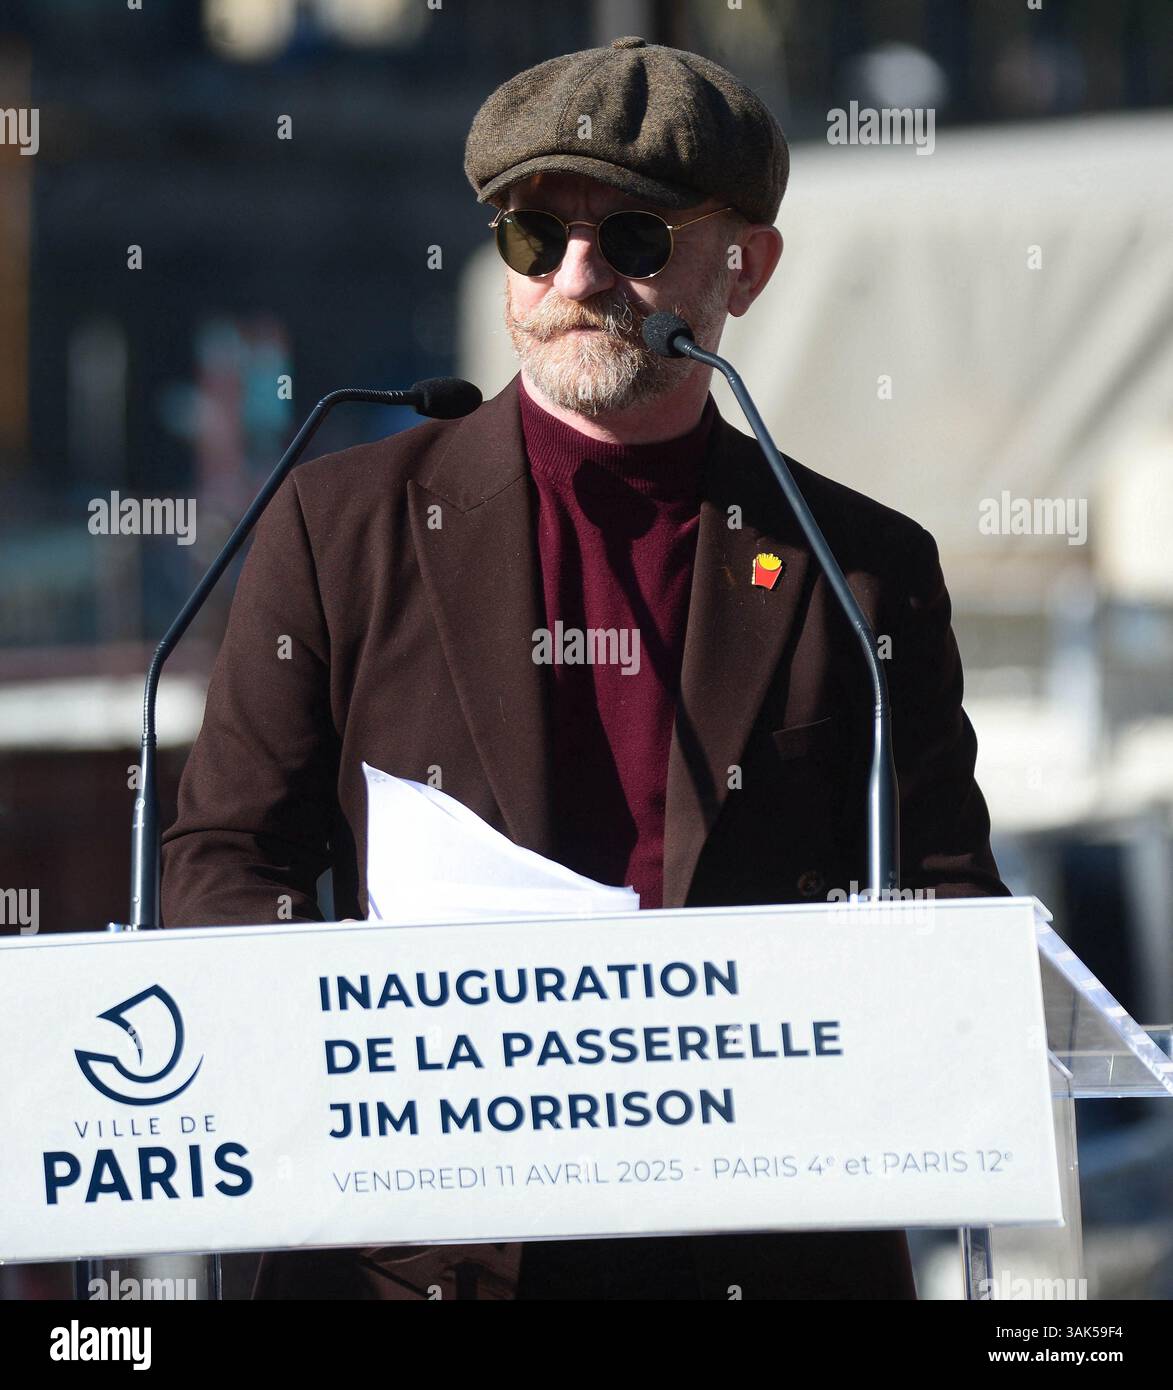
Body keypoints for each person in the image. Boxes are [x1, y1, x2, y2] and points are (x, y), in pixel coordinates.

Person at [161, 35, 1010, 1300]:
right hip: (424, 1258)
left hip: (762, 1257)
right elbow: (225, 871)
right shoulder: (335, 525)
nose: (575, 277)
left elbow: (946, 907)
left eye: (634, 239)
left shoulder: (863, 567)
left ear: (748, 266)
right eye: (532, 236)